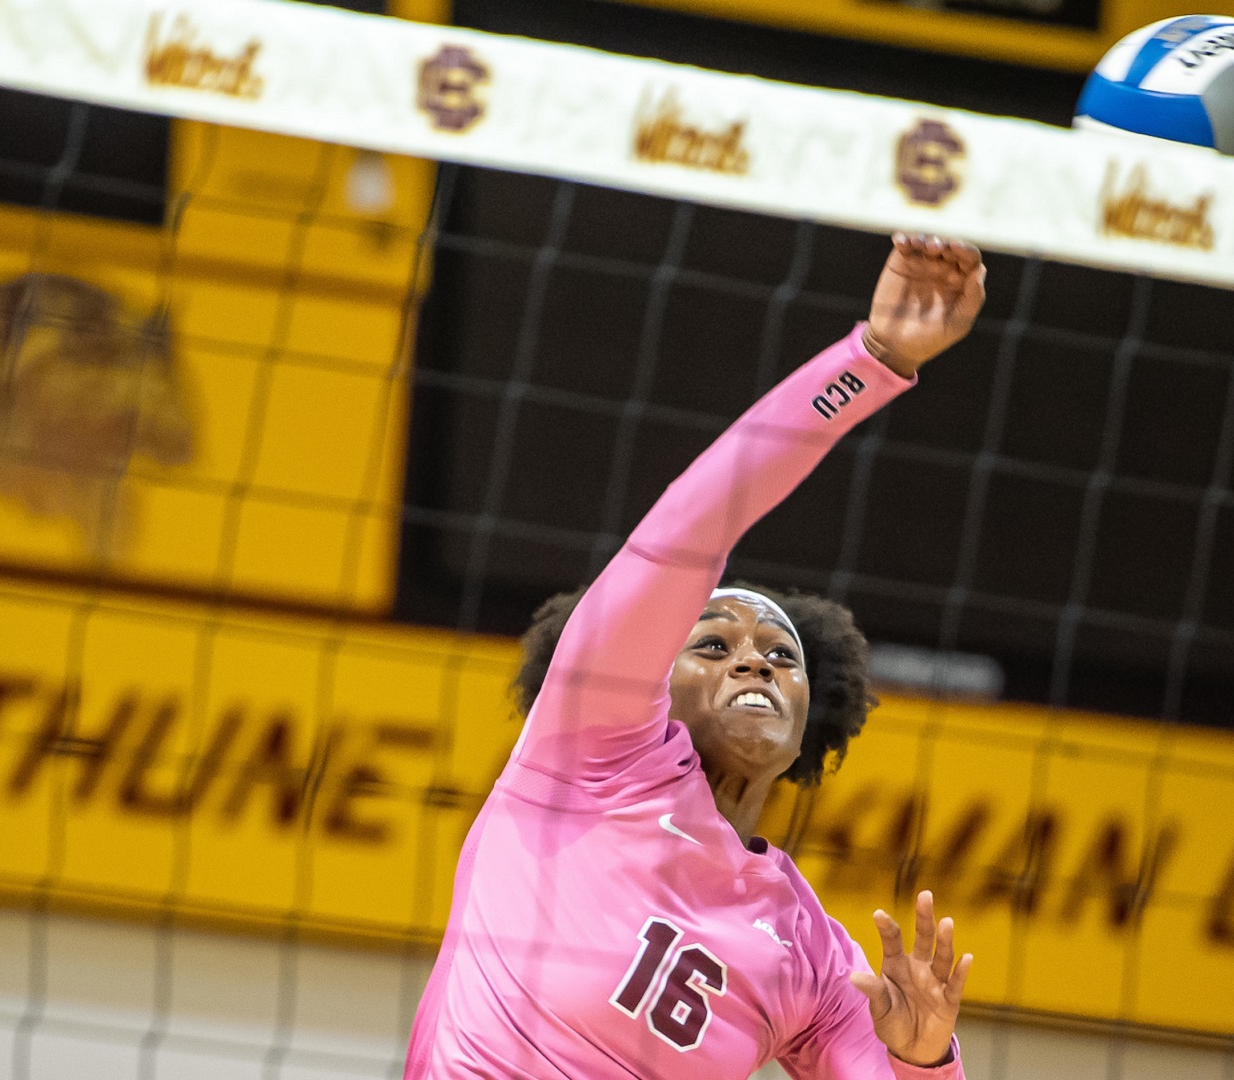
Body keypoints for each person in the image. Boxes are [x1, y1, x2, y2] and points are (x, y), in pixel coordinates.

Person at [405, 234, 989, 1079]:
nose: (755, 665)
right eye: (713, 645)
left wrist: (924, 1058)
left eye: (782, 658)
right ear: (648, 677)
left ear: (809, 724)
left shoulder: (808, 951)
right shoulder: (589, 751)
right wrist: (878, 357)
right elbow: (699, 518)